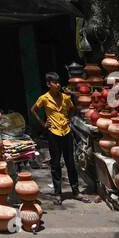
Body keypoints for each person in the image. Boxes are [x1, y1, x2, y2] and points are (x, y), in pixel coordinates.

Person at [32, 71, 79, 206]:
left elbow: (72, 109)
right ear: (48, 84)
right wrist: (43, 123)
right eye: (54, 82)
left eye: (59, 82)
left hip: (66, 131)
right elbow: (34, 109)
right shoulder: (44, 98)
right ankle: (58, 193)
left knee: (71, 162)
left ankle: (75, 191)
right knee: (55, 164)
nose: (58, 85)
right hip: (53, 133)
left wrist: (68, 119)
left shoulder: (66, 98)